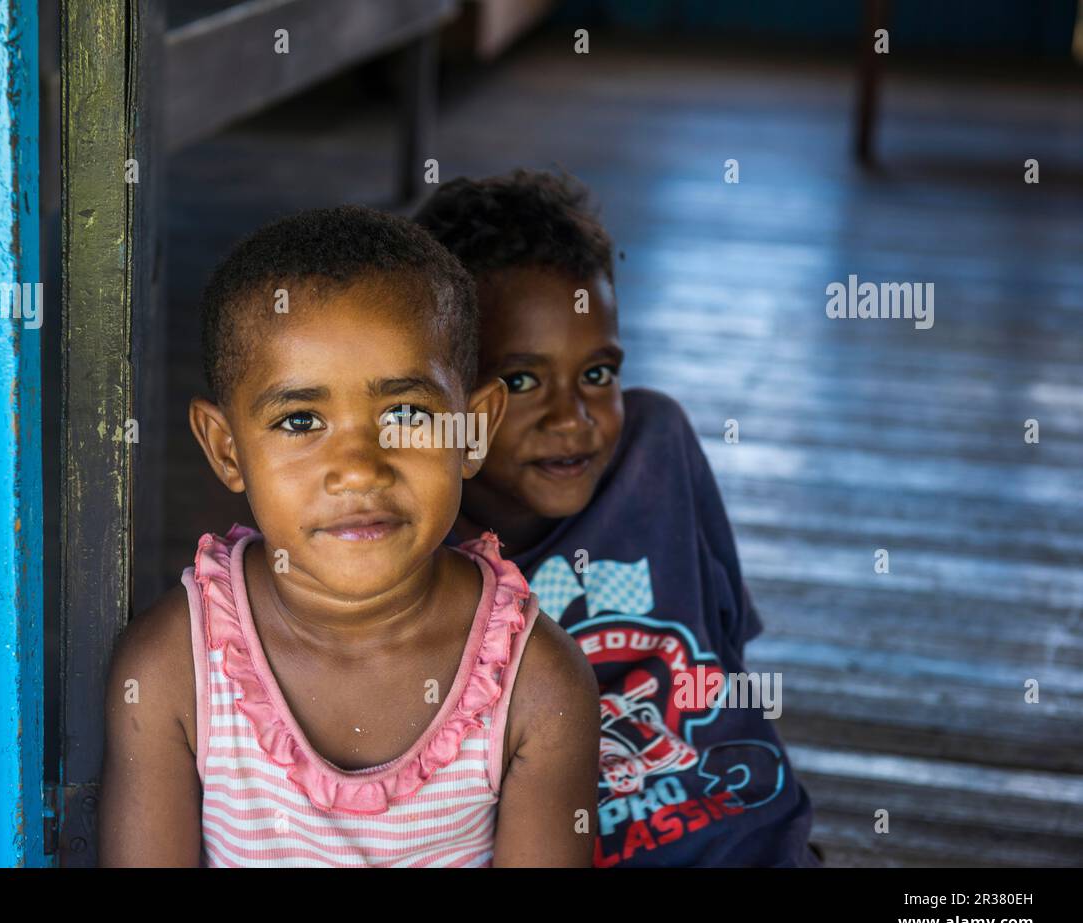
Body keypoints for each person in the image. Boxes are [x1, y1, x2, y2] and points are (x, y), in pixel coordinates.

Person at [99, 204, 599, 867]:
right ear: (226, 448)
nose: (361, 467)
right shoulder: (174, 669)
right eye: (301, 420)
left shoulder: (536, 683)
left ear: (473, 428)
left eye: (405, 412)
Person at [416, 170, 821, 866]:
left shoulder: (656, 450)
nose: (572, 419)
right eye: (521, 380)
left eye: (598, 374)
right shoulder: (416, 553)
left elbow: (724, 652)